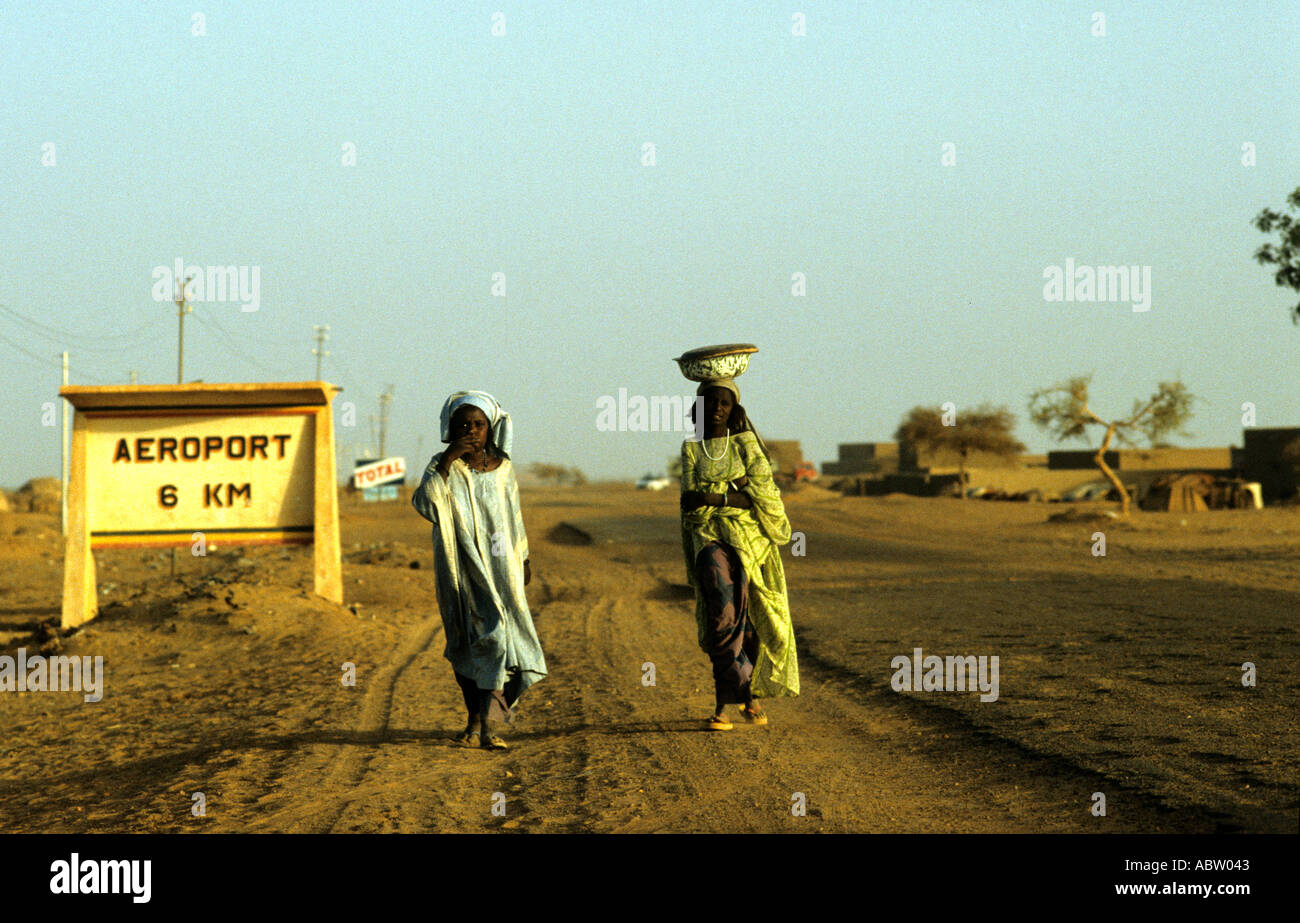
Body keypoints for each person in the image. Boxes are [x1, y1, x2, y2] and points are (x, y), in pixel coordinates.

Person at [411, 390, 546, 750]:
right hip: (458, 567)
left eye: (479, 424)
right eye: (464, 425)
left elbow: (514, 516)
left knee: (500, 636)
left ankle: (490, 723)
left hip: (502, 569)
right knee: (466, 641)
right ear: (450, 428)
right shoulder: (442, 466)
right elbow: (426, 503)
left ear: (491, 428)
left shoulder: (503, 468)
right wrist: (448, 459)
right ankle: (475, 720)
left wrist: (524, 559)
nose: (472, 430)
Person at [679, 379, 799, 730]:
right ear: (700, 407)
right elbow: (689, 504)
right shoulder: (691, 449)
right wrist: (735, 489)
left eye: (725, 403)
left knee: (749, 618)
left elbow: (765, 498)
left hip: (750, 540)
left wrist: (714, 497)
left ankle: (748, 697)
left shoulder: (746, 444)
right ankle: (722, 703)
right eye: (711, 402)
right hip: (707, 538)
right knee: (722, 614)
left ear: (734, 409)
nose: (717, 408)